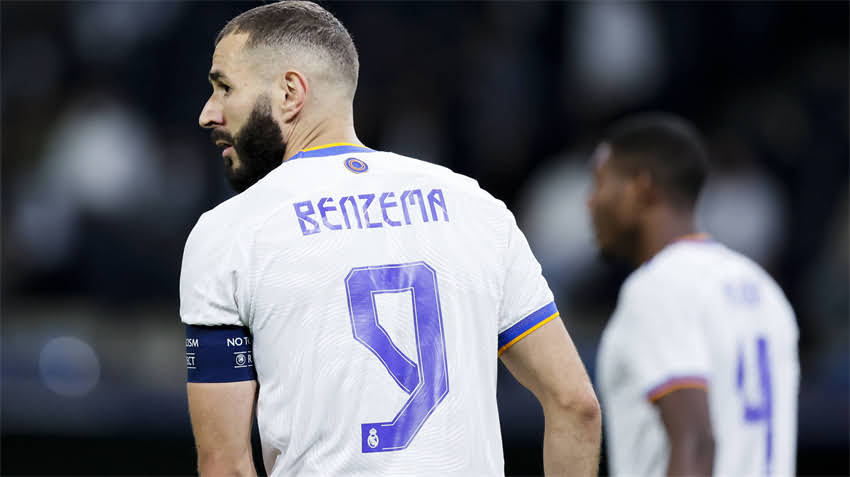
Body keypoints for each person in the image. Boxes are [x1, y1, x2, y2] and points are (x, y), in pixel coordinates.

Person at [180, 2, 600, 476]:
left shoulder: (230, 232)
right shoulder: (477, 208)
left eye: (224, 87)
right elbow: (576, 405)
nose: (208, 113)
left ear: (290, 93)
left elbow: (226, 465)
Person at [587, 113, 800, 476]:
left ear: (642, 188)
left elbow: (697, 442)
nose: (591, 201)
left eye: (601, 183)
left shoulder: (657, 288)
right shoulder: (764, 289)